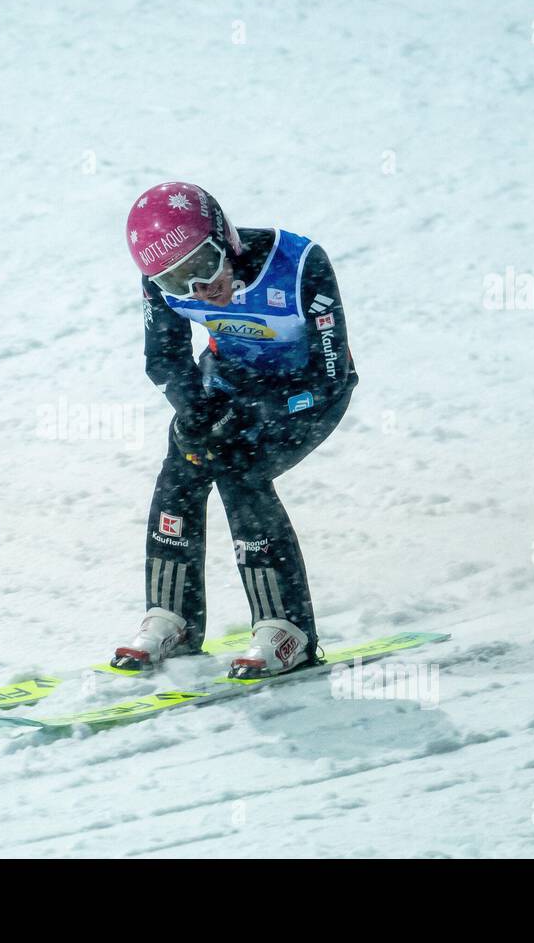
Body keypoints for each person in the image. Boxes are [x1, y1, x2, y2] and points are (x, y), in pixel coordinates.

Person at [112, 181, 358, 679]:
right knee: (185, 460)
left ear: (224, 236)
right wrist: (194, 412)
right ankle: (172, 617)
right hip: (228, 383)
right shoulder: (161, 285)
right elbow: (164, 358)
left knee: (242, 468)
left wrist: (263, 412)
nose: (200, 291)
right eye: (176, 282)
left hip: (305, 394)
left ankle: (287, 630)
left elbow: (330, 377)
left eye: (203, 266)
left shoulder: (300, 263)